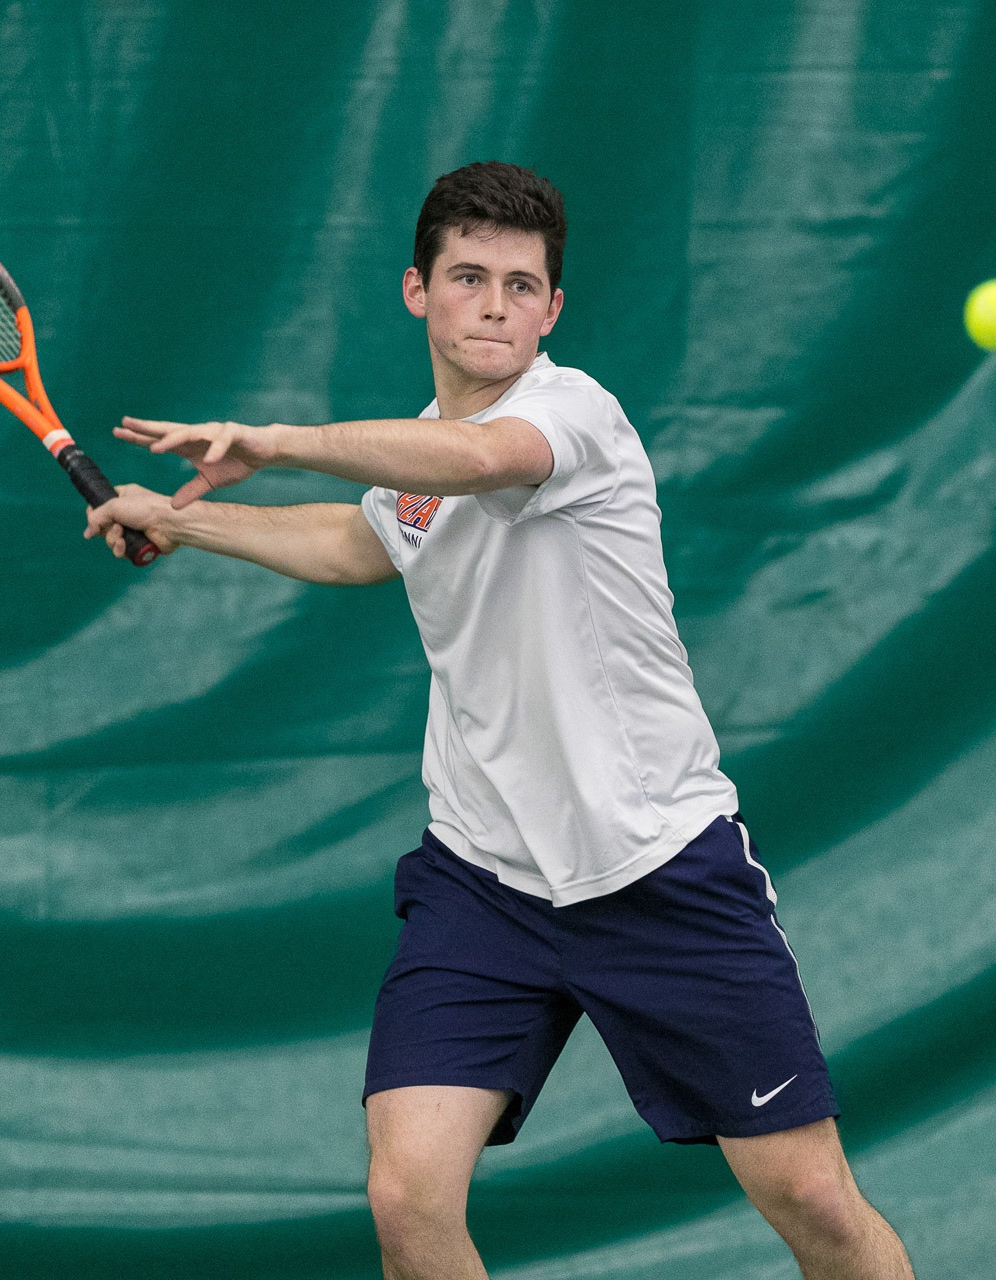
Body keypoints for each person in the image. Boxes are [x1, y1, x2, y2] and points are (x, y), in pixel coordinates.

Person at [85, 161, 914, 1280]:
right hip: (484, 875)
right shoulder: (412, 453)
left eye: (522, 285)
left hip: (655, 865)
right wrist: (189, 526)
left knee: (813, 1196)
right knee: (407, 1194)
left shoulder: (571, 415)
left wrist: (273, 437)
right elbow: (361, 540)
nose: (495, 303)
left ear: (552, 310)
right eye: (468, 276)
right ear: (416, 291)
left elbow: (480, 462)